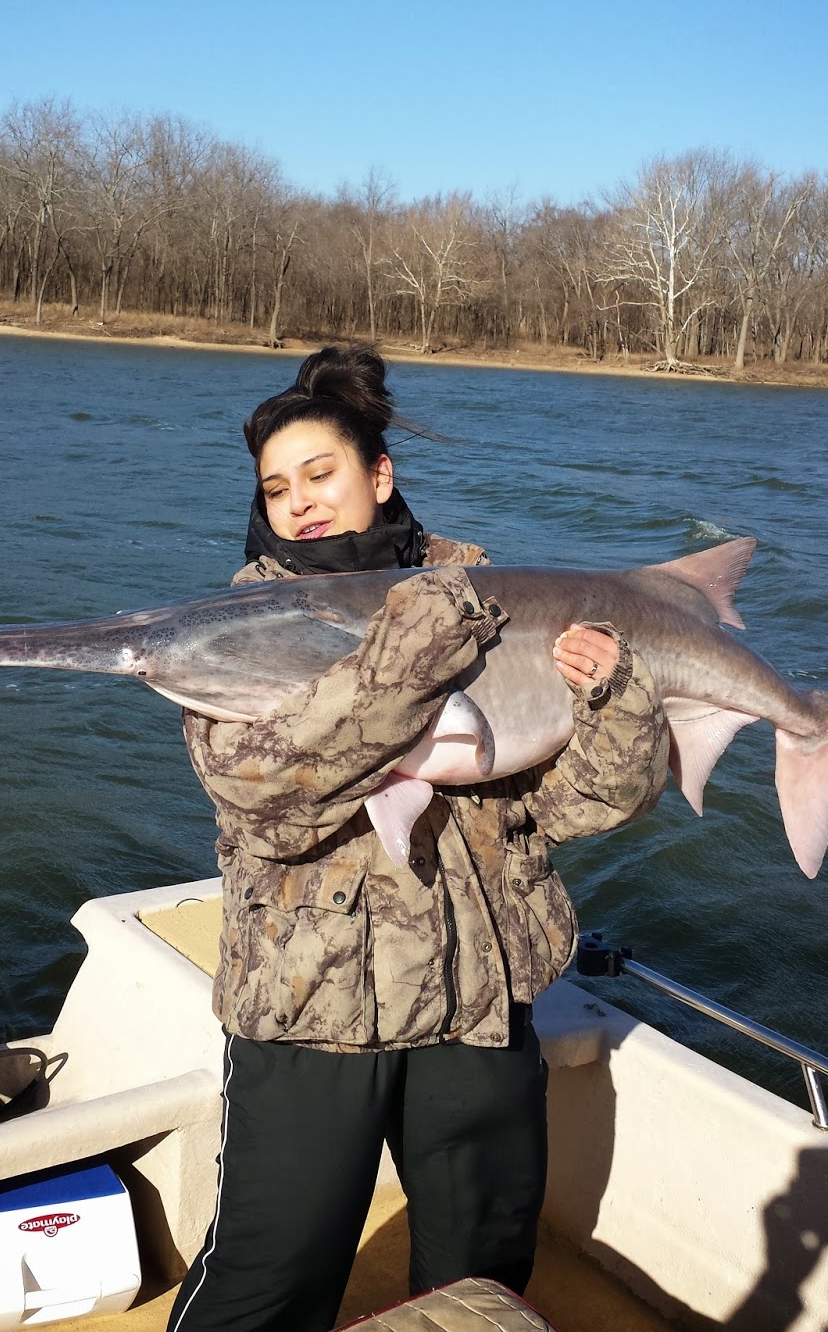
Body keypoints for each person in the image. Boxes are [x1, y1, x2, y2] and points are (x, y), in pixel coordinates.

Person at [168, 345, 670, 1332]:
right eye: (278, 489)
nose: (300, 503)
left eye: (322, 474)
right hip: (316, 1011)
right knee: (266, 1282)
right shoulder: (229, 632)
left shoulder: (496, 610)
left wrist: (613, 701)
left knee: (480, 1278)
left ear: (378, 475)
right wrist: (407, 654)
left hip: (476, 1006)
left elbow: (579, 805)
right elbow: (274, 792)